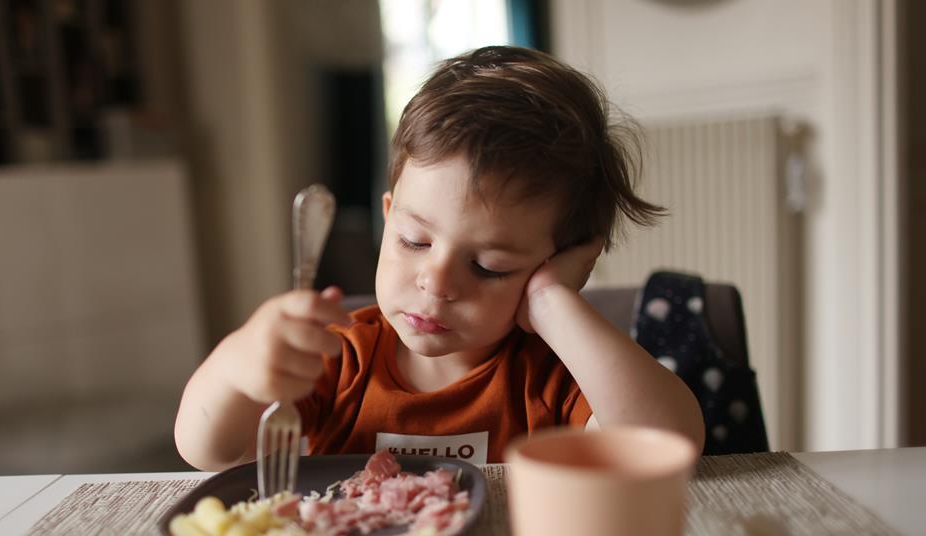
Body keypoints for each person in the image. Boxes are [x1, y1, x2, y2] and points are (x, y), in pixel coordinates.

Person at [174, 46, 704, 470]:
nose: (436, 281)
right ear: (389, 216)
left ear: (555, 265)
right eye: (414, 240)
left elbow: (665, 445)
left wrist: (552, 303)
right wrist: (240, 364)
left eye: (489, 266)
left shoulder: (552, 379)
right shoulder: (338, 361)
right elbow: (208, 452)